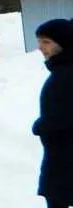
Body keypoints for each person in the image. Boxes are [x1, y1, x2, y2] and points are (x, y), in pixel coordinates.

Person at [33, 18, 73, 208]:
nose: (41, 47)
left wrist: (39, 126)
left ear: (64, 43)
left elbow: (59, 118)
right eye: (40, 42)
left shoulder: (64, 75)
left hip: (64, 162)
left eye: (46, 42)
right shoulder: (63, 71)